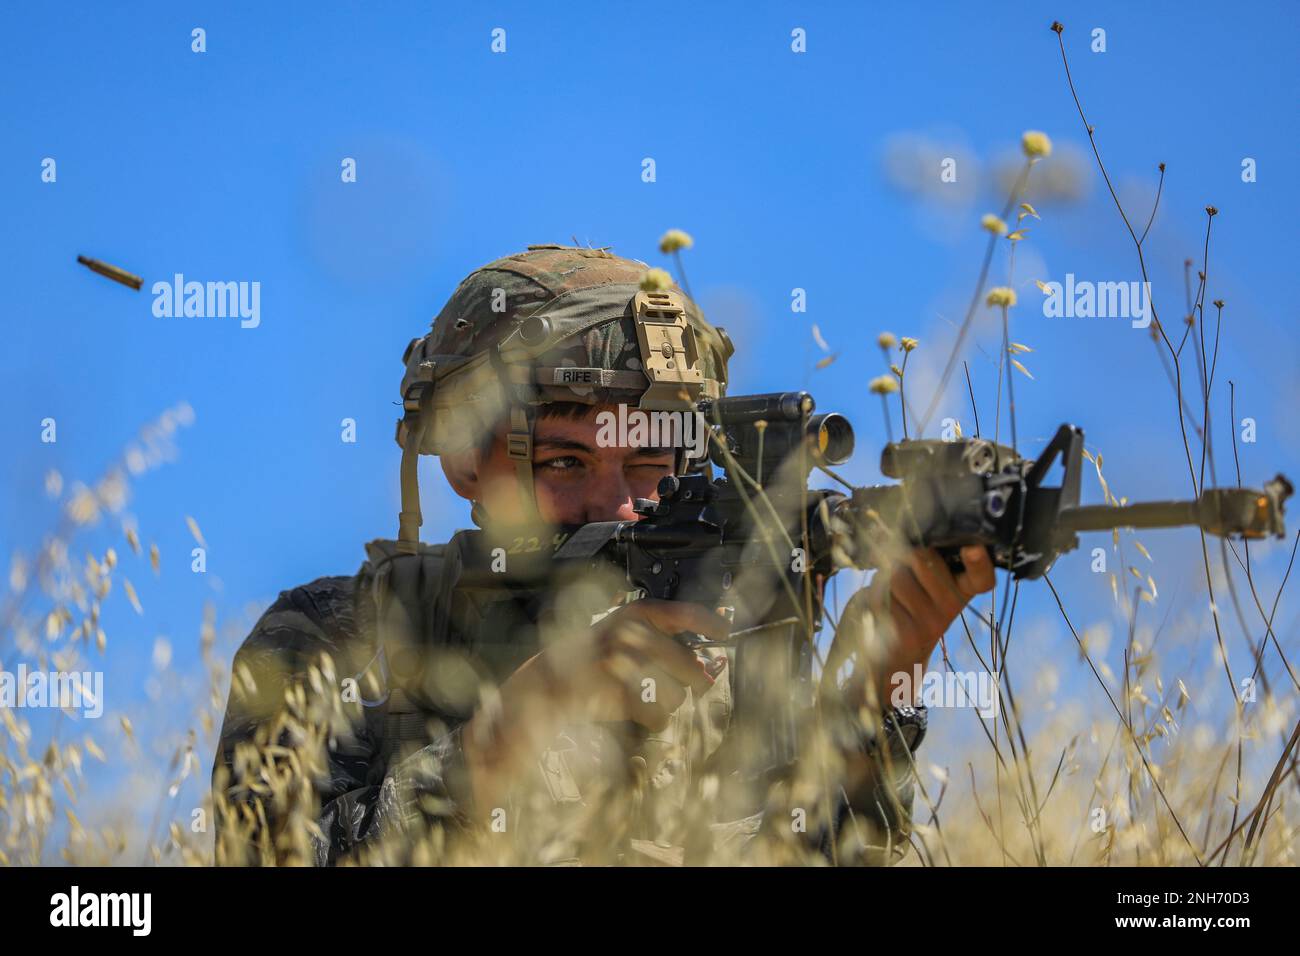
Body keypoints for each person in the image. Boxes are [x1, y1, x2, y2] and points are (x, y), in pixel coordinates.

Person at [211, 244, 995, 866]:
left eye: (652, 465)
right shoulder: (333, 641)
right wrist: (512, 732)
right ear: (461, 461)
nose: (619, 503)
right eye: (564, 463)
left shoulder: (723, 658)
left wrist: (880, 688)